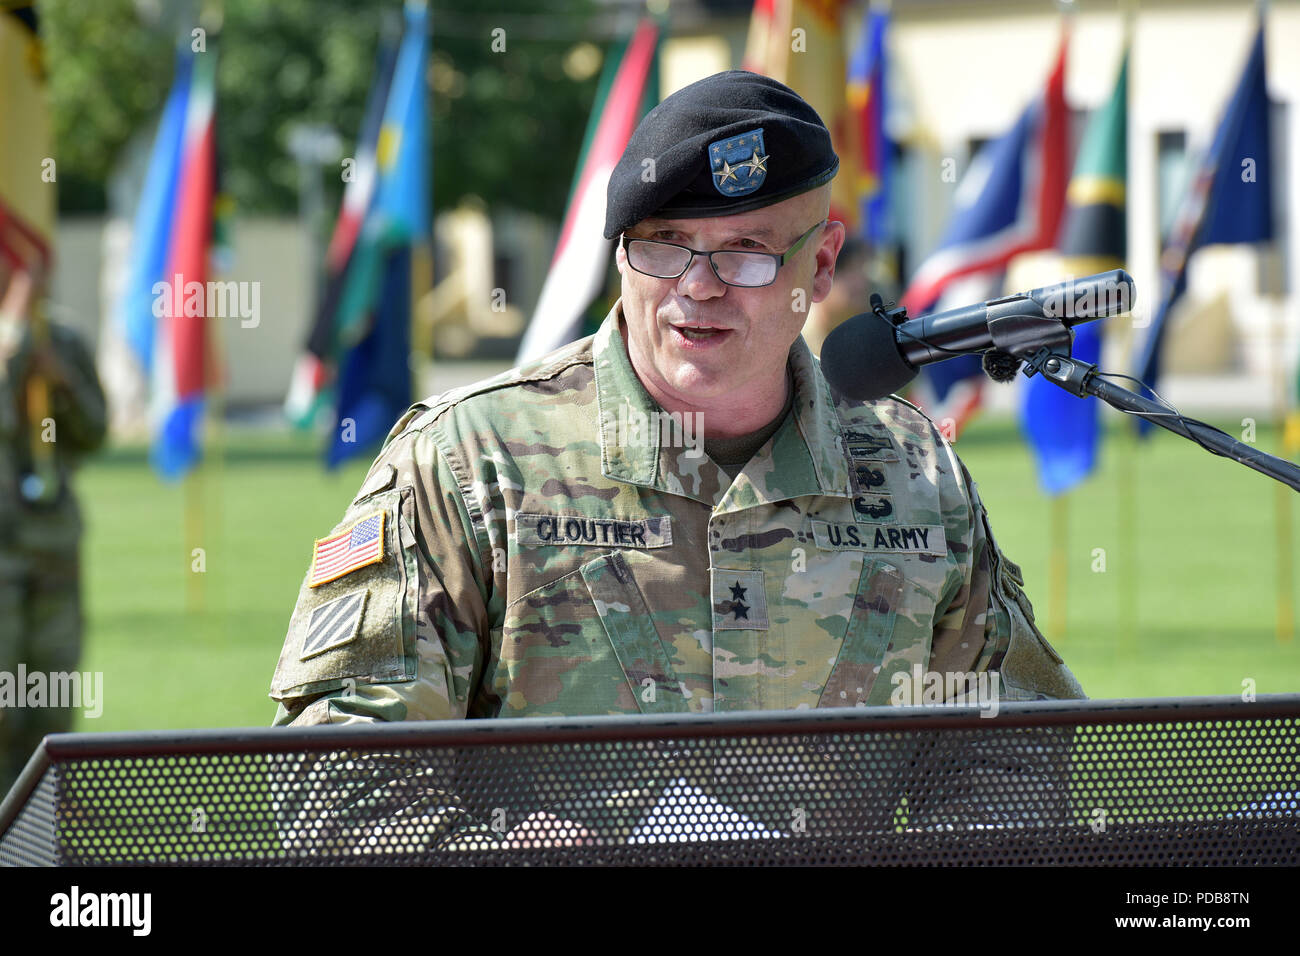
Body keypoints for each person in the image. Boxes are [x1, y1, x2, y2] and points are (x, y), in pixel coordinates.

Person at [268, 71, 1082, 846]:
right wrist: (498, 856)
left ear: (822, 264)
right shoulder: (471, 463)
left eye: (746, 251)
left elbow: (1010, 745)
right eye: (663, 245)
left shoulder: (914, 476)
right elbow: (333, 774)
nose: (699, 286)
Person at [0, 273, 107, 796]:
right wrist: (12, 352)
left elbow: (94, 432)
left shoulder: (61, 338)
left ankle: (42, 815)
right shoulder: (15, 343)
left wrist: (60, 382)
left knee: (51, 693)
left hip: (53, 544)